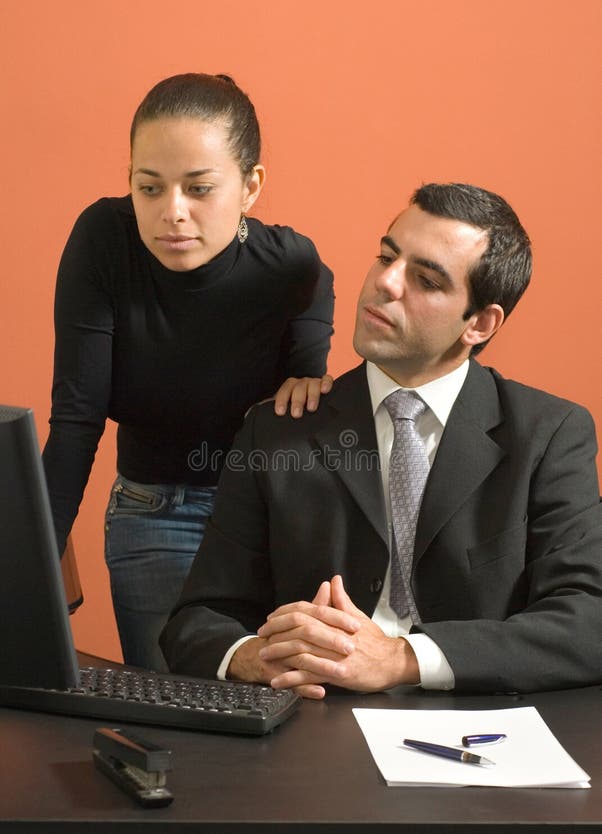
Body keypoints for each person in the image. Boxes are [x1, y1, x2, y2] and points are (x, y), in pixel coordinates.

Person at [160, 182, 602, 697]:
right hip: (314, 714)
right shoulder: (278, 427)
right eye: (387, 257)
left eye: (426, 280)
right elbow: (196, 621)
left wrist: (402, 658)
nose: (386, 283)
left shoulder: (549, 433)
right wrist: (258, 658)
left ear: (480, 323)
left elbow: (588, 620)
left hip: (478, 719)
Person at [42, 73, 334, 671]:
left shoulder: (288, 267)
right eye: (149, 187)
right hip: (156, 510)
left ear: (250, 187)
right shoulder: (104, 241)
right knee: (171, 702)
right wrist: (28, 566)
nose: (172, 212)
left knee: (281, 704)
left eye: (199, 188)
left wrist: (309, 370)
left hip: (267, 515)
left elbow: (311, 324)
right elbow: (76, 419)